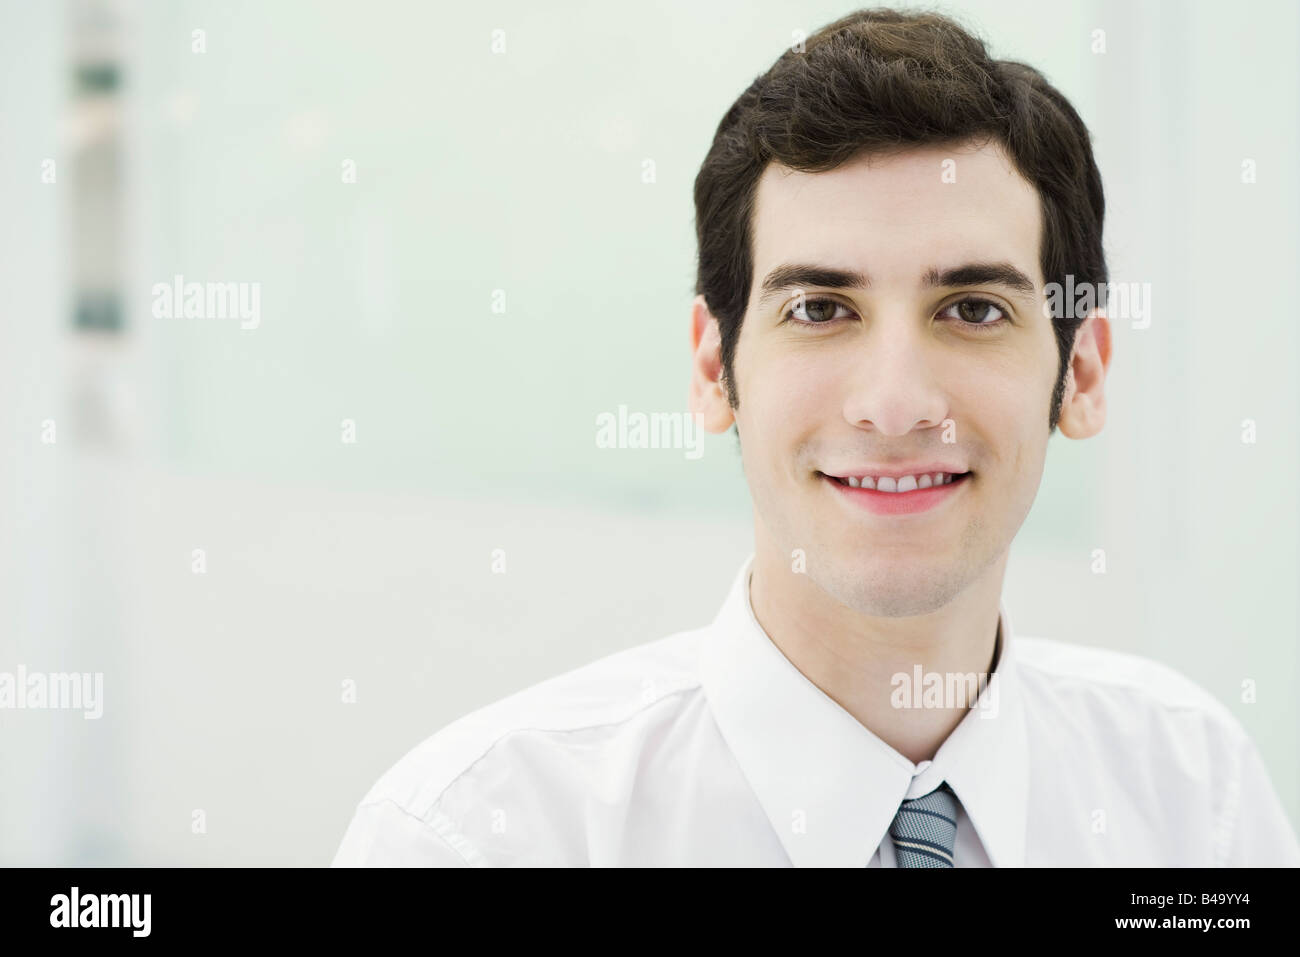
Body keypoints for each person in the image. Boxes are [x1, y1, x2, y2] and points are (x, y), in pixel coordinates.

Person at [331, 6, 1300, 867]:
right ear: (715, 368)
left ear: (1079, 373)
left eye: (970, 309)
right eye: (820, 308)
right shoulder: (476, 841)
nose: (893, 404)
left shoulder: (1194, 800)